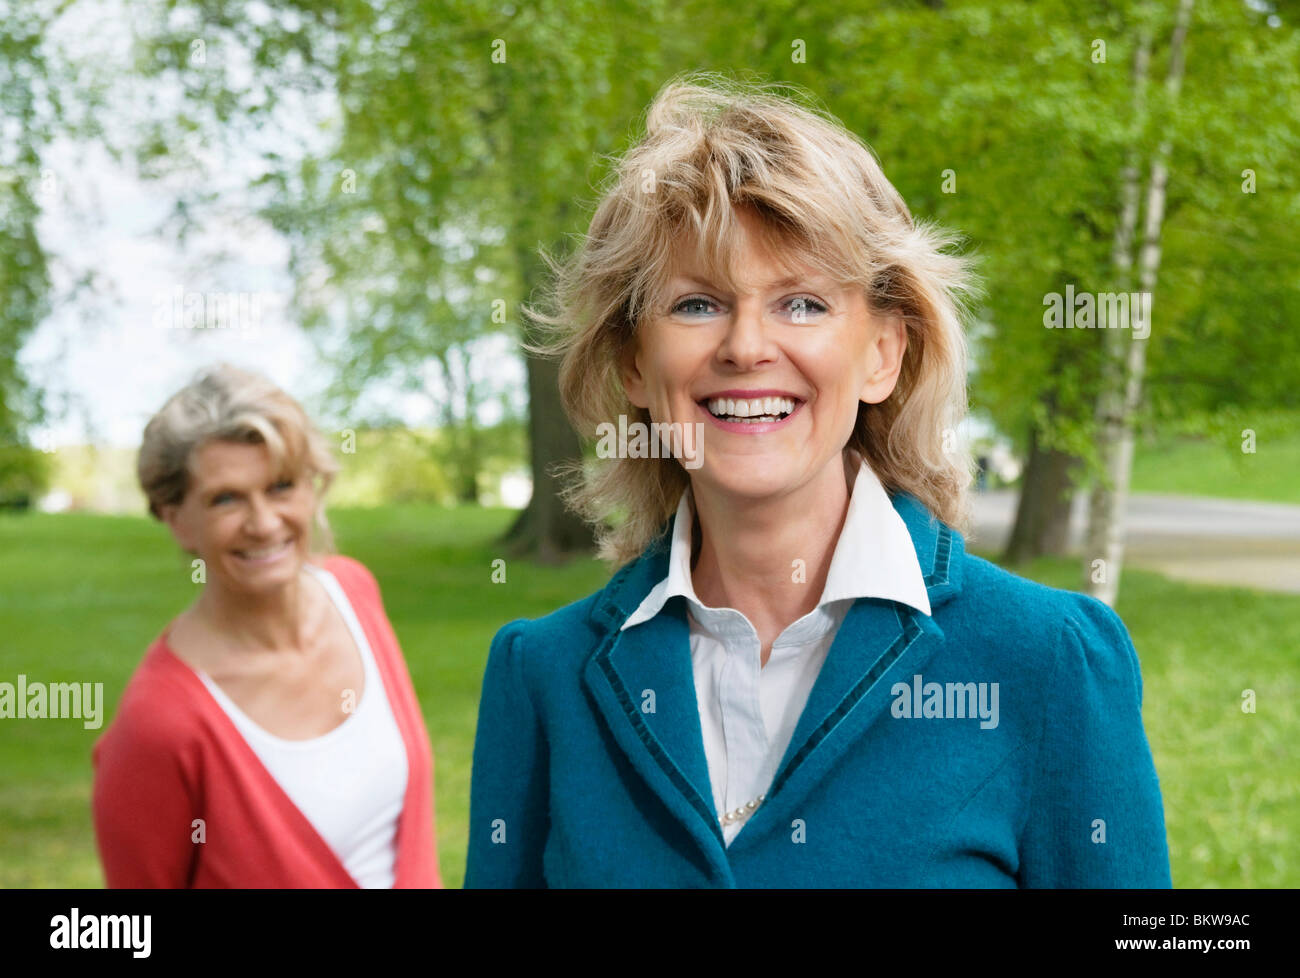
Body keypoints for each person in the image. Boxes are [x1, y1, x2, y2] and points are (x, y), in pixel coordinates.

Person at [464, 75, 1171, 887]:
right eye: (696, 305)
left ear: (882, 353)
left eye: (801, 304)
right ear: (632, 361)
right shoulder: (542, 676)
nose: (746, 347)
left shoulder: (1048, 661)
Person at [92, 364, 441, 888]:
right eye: (226, 498)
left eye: (280, 486)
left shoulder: (355, 592)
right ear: (176, 519)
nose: (264, 523)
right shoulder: (158, 724)